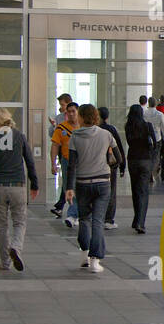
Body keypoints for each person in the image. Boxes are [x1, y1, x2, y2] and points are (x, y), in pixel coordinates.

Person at [0, 108, 39, 271]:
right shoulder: (20, 136)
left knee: (1, 226)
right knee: (19, 222)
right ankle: (16, 246)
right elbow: (30, 162)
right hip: (17, 186)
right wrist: (34, 184)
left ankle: (5, 262)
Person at [65, 104, 116, 274]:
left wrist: (69, 188)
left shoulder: (74, 137)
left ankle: (84, 255)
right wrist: (106, 159)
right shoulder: (106, 134)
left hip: (82, 183)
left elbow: (71, 165)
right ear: (95, 117)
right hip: (103, 182)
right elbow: (119, 158)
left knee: (84, 219)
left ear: (80, 117)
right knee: (98, 221)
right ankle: (96, 260)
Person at [125, 103, 156, 234]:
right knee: (143, 191)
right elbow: (154, 142)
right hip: (145, 160)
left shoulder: (128, 127)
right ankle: (140, 222)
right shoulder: (147, 126)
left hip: (132, 159)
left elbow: (129, 142)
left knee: (135, 190)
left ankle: (136, 218)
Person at [50, 102, 80, 228]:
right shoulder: (61, 128)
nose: (71, 114)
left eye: (74, 111)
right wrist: (53, 164)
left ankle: (74, 214)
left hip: (82, 162)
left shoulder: (84, 127)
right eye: (69, 112)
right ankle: (74, 214)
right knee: (68, 188)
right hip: (67, 161)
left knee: (80, 188)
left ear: (78, 112)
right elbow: (55, 146)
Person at [97, 107, 126, 229]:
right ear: (107, 117)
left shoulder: (94, 130)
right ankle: (108, 219)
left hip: (96, 165)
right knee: (111, 191)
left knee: (98, 192)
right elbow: (118, 147)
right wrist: (122, 165)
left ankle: (98, 216)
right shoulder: (111, 130)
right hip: (110, 165)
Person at [49, 93, 72, 215]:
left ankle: (62, 205)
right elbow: (53, 137)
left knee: (70, 180)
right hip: (63, 152)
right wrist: (53, 126)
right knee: (67, 180)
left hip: (74, 153)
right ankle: (62, 205)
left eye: (62, 104)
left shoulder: (78, 118)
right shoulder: (59, 118)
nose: (61, 107)